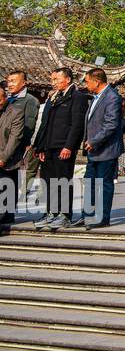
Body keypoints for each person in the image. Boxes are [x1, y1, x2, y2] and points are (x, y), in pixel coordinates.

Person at [32, 67, 86, 230]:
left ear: (68, 79)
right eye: (52, 79)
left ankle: (64, 215)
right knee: (48, 182)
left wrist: (69, 146)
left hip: (63, 146)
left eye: (56, 79)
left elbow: (77, 125)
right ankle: (51, 212)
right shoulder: (53, 98)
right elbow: (44, 125)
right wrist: (40, 147)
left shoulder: (77, 97)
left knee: (63, 181)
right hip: (49, 146)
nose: (53, 82)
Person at [79, 69, 124, 229]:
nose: (86, 84)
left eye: (87, 81)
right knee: (90, 182)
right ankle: (87, 215)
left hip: (106, 149)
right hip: (94, 149)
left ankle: (102, 217)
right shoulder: (96, 98)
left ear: (96, 81)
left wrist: (95, 140)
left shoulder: (112, 97)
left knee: (104, 184)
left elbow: (111, 124)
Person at [0, 85, 33, 235]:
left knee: (7, 188)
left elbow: (15, 137)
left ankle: (7, 216)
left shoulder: (15, 112)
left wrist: (3, 158)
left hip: (9, 158)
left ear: (5, 98)